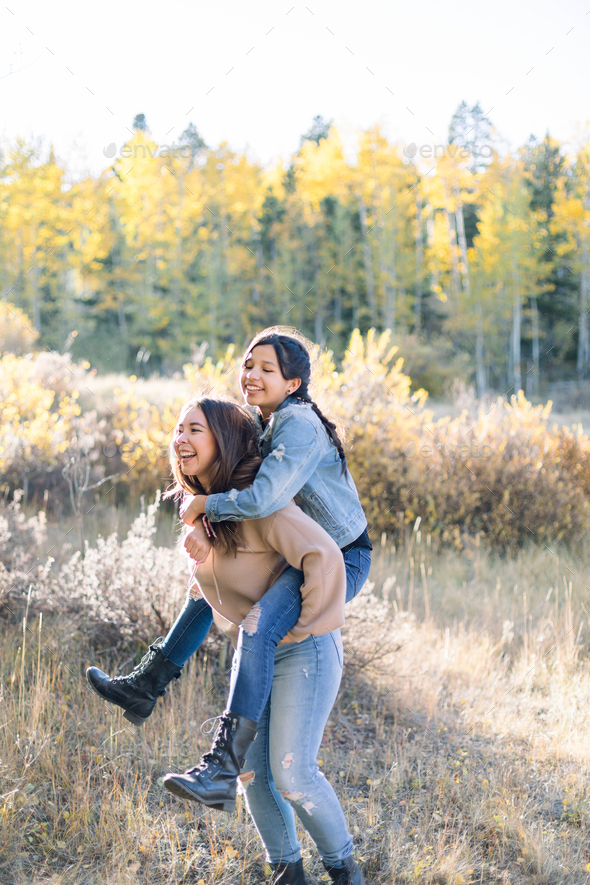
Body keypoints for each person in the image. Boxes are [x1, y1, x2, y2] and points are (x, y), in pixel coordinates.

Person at [86, 329, 372, 811]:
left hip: (337, 557)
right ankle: (148, 684)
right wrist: (203, 520)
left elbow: (263, 498)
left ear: (294, 382)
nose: (252, 375)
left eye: (267, 369)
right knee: (207, 585)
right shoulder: (267, 421)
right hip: (294, 547)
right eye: (248, 365)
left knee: (257, 630)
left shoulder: (297, 424)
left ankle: (220, 768)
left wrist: (202, 506)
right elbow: (244, 483)